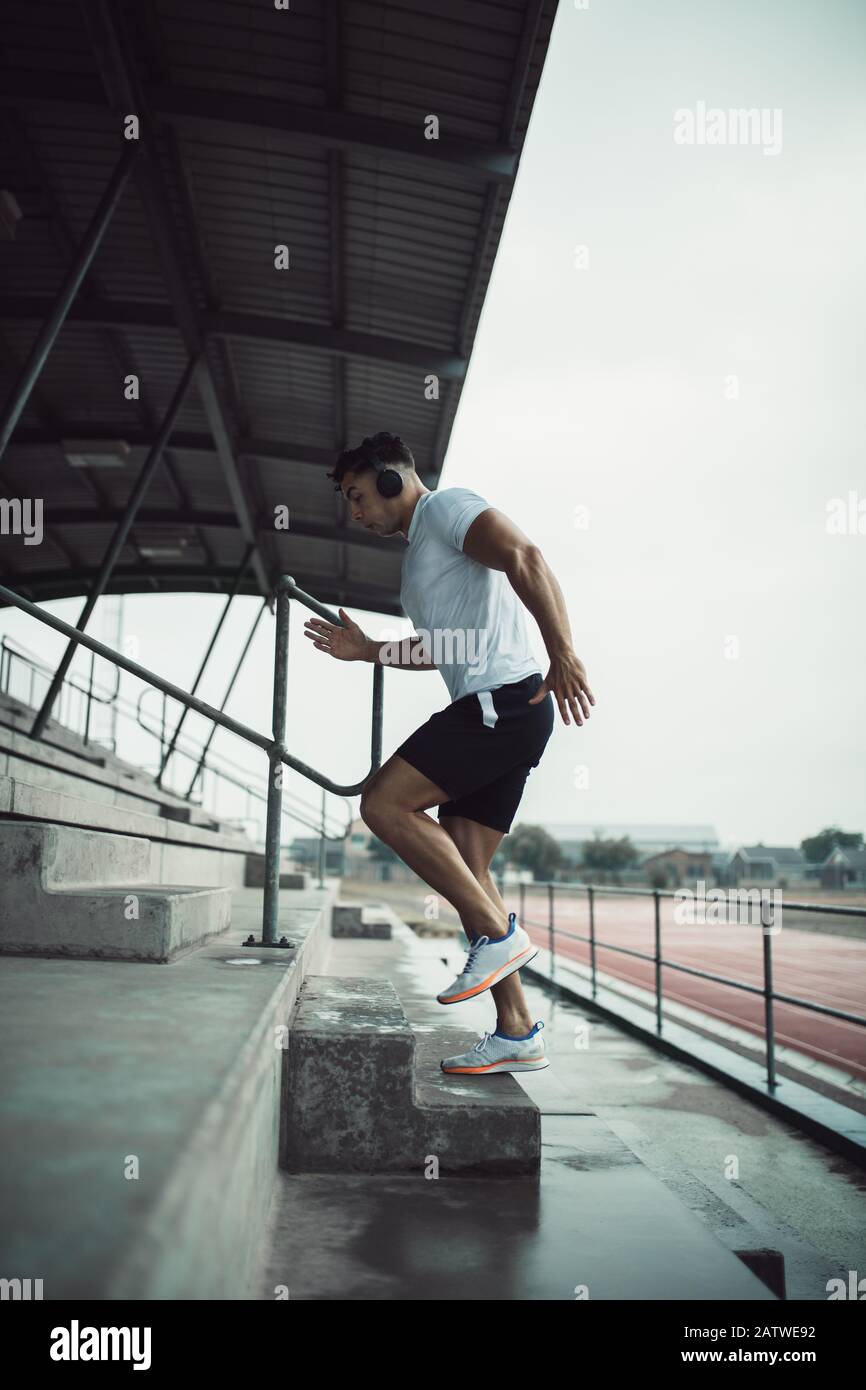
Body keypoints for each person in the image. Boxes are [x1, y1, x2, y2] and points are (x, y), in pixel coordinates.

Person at [304, 432, 595, 1075]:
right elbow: (442, 649)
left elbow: (525, 554)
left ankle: (498, 934)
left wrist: (563, 651)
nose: (355, 514)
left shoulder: (444, 509)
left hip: (501, 703)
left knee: (383, 805)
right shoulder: (420, 561)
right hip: (502, 709)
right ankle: (517, 1028)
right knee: (467, 867)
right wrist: (371, 651)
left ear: (389, 479)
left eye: (357, 497)